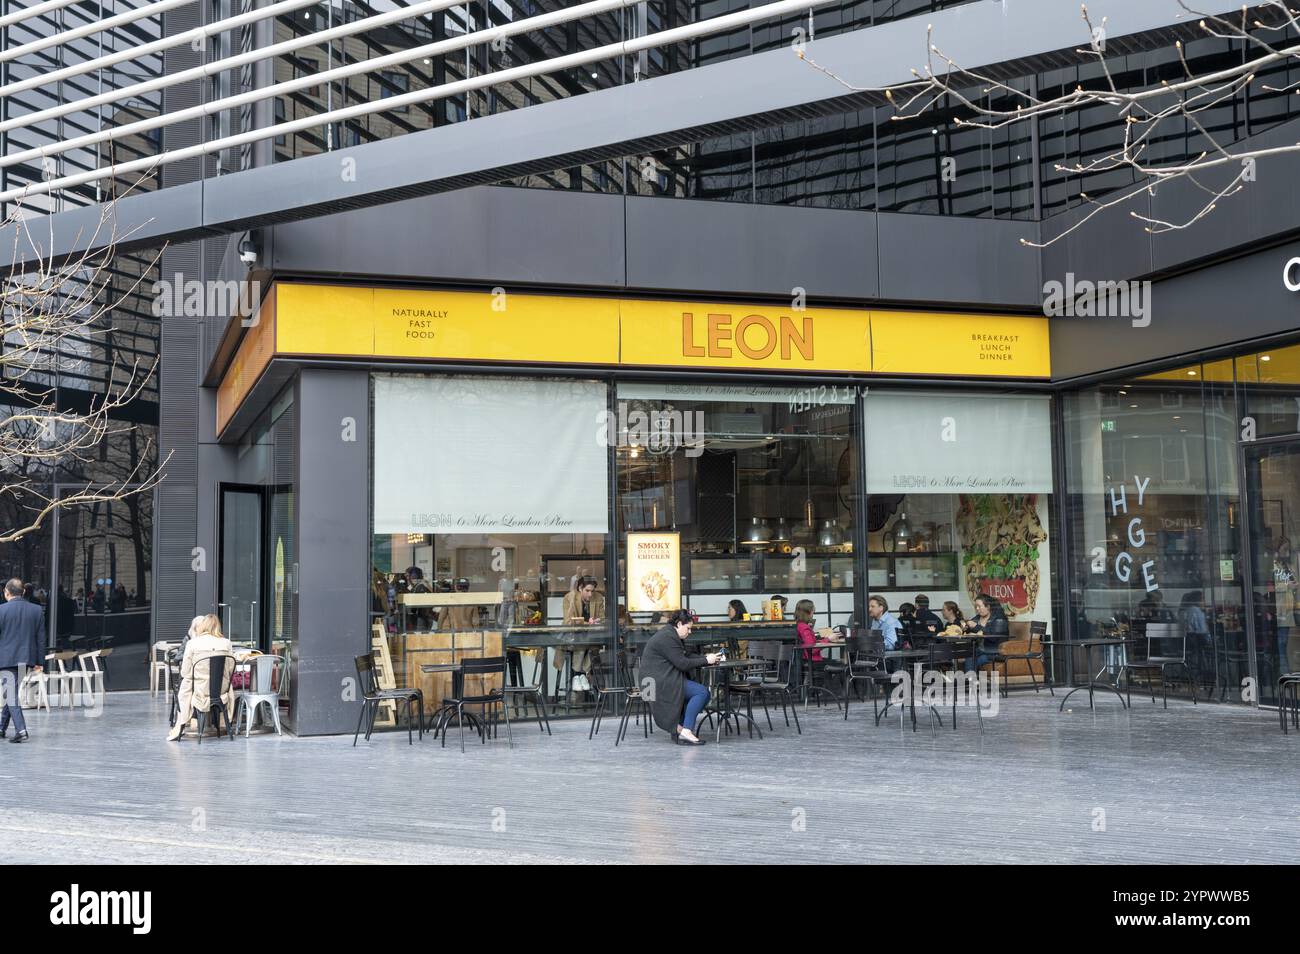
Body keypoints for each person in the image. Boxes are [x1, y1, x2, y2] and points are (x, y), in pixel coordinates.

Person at [639, 609, 721, 746]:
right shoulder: (667, 637)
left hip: (661, 678)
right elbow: (682, 663)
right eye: (688, 628)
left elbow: (684, 656)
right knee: (701, 692)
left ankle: (680, 729)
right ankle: (686, 731)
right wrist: (706, 660)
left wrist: (707, 658)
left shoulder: (670, 634)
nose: (690, 632)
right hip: (654, 683)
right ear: (678, 624)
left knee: (703, 694)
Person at [167, 614, 235, 741]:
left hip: (200, 690)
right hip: (220, 690)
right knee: (228, 684)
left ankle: (181, 723)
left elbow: (185, 672)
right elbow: (230, 669)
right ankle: (223, 722)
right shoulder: (226, 643)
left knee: (186, 684)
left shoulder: (193, 643)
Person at [0, 579, 45, 743]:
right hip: (26, 659)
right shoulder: (36, 610)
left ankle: (21, 729)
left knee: (10, 694)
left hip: (5, 659)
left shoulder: (1, 610)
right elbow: (41, 639)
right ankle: (2, 728)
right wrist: (40, 661)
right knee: (10, 692)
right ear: (24, 591)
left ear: (7, 592)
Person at [963, 595, 1010, 672]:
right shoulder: (978, 617)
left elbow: (993, 637)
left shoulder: (999, 619)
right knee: (969, 654)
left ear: (988, 606)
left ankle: (971, 681)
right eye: (976, 606)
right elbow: (969, 627)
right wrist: (966, 628)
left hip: (995, 651)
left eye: (979, 606)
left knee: (975, 659)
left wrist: (976, 626)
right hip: (982, 651)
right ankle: (971, 681)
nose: (977, 609)